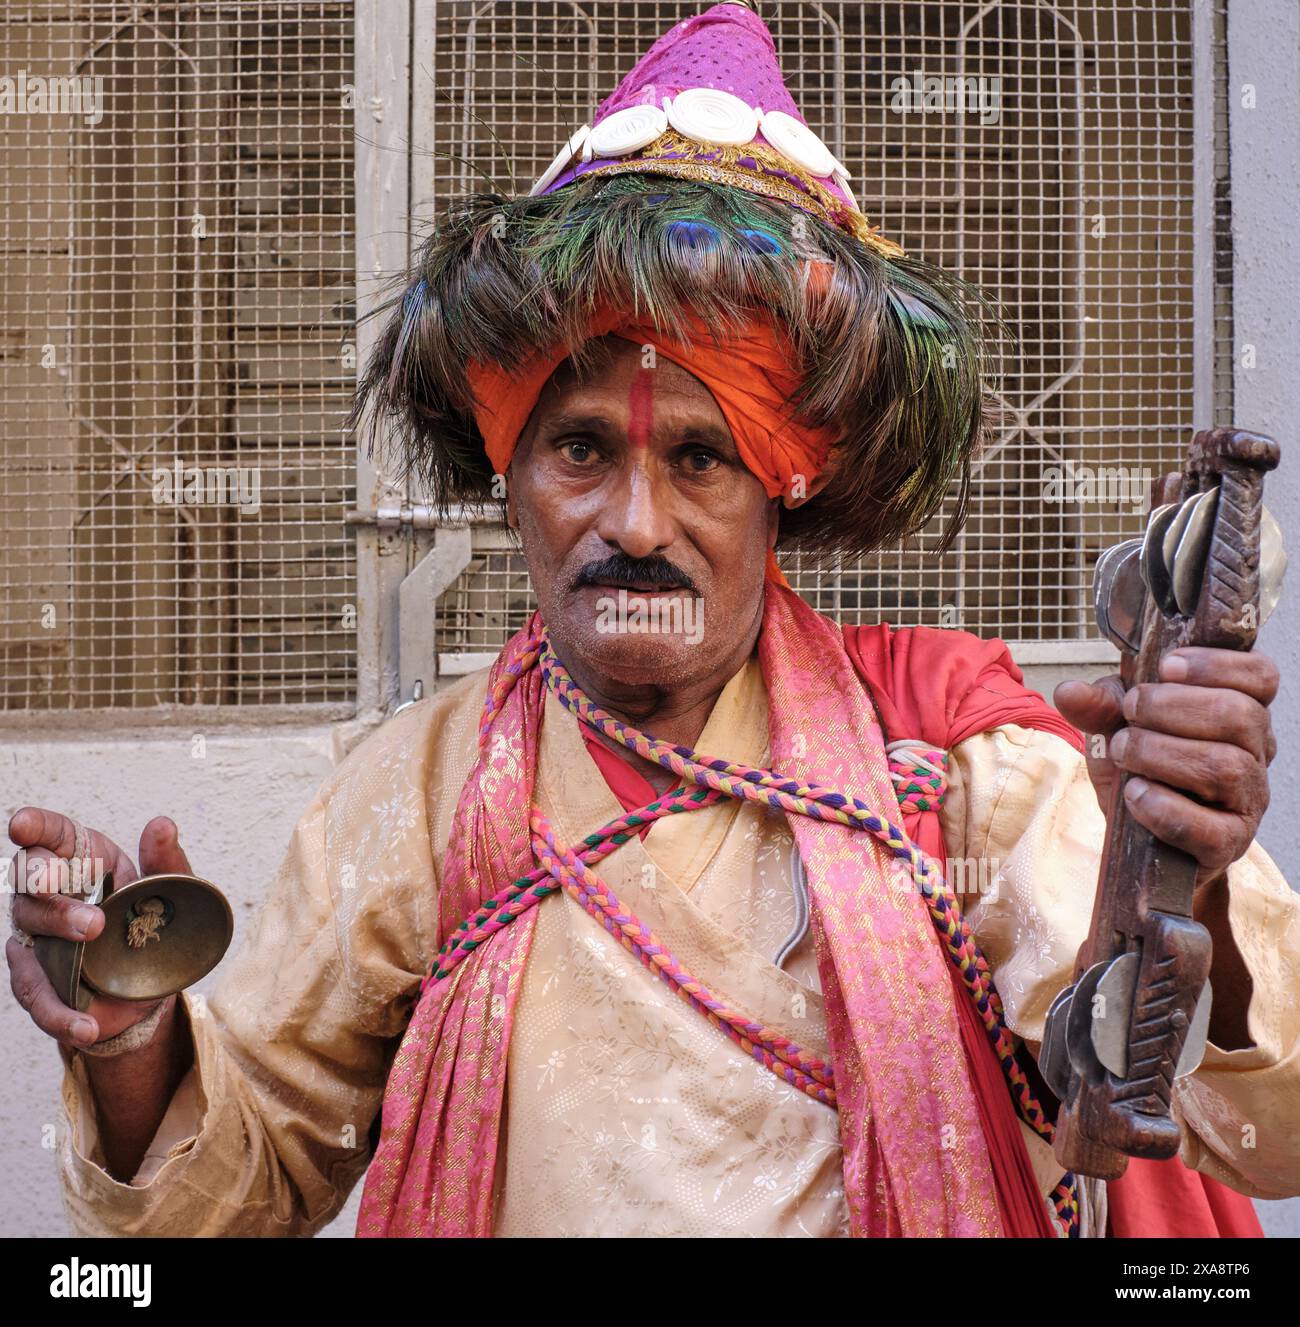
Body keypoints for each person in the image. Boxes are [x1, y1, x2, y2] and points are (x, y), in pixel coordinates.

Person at [7, 1, 1298, 1238]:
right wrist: (131, 1040)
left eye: (701, 459)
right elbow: (217, 1208)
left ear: (782, 489)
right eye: (579, 451)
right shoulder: (411, 797)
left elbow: (1258, 1133)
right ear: (509, 484)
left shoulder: (957, 760)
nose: (634, 522)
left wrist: (1186, 867)